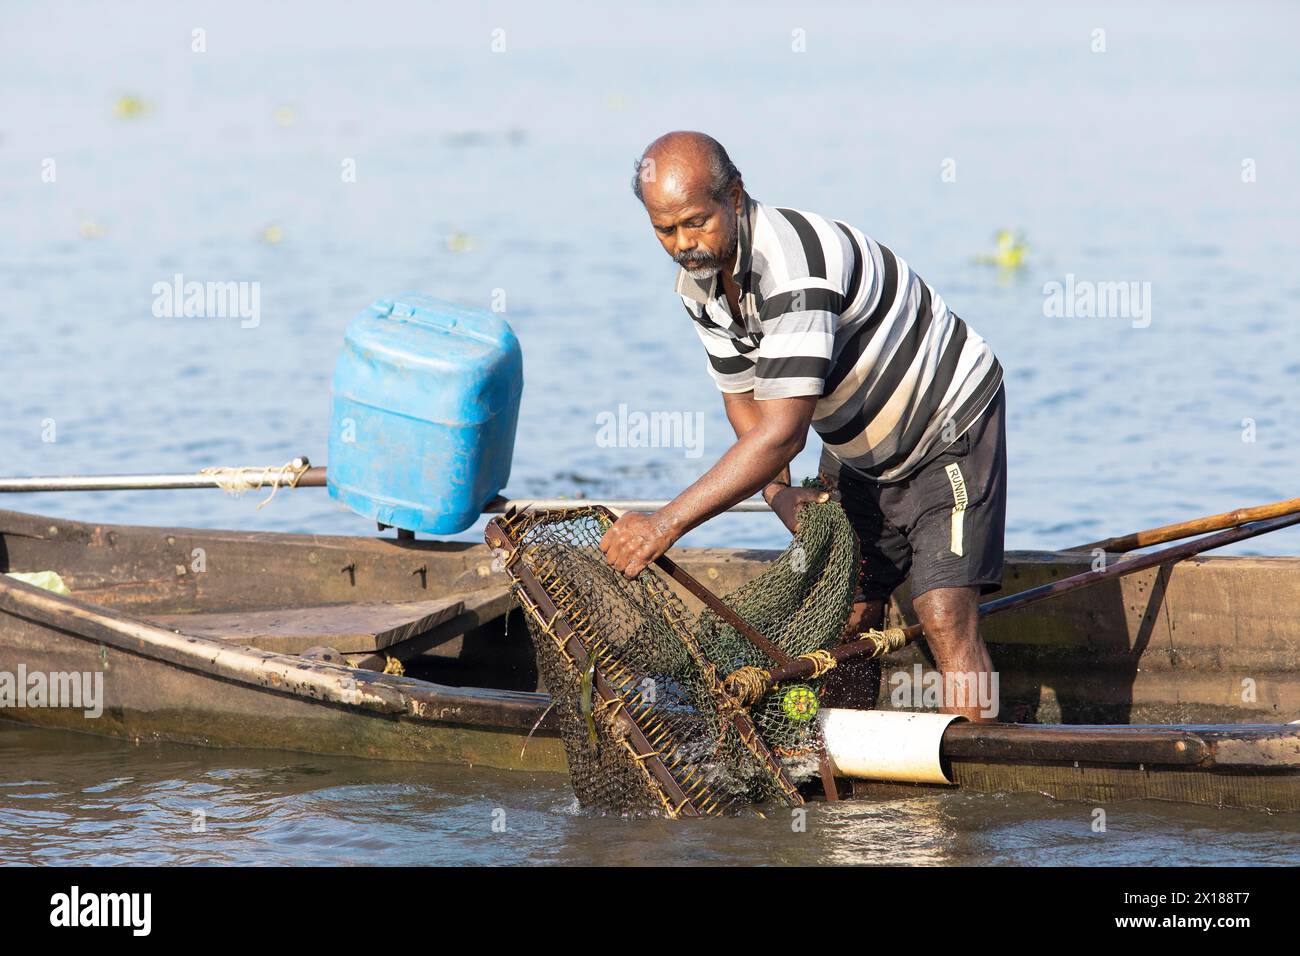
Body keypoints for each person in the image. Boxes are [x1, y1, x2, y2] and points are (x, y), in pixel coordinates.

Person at [599, 131, 1007, 721]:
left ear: (734, 197)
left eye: (696, 222)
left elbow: (784, 434)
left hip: (946, 425)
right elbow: (746, 403)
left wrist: (663, 526)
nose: (685, 244)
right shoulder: (699, 283)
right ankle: (838, 765)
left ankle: (980, 787)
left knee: (943, 615)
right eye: (666, 231)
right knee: (843, 609)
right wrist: (778, 491)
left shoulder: (792, 269)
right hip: (856, 441)